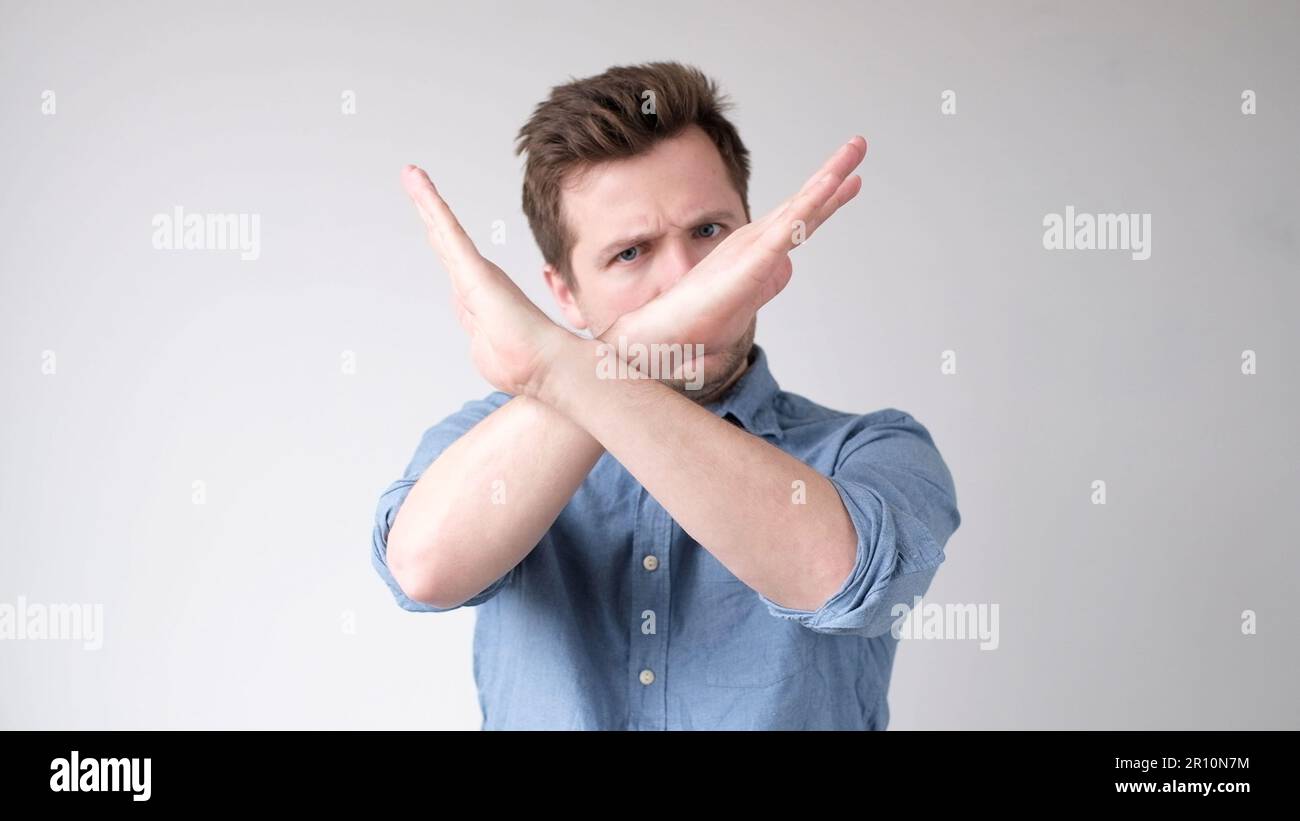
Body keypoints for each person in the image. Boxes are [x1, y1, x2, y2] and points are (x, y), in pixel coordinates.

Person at [370, 61, 961, 729]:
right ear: (563, 291)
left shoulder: (872, 447)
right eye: (631, 253)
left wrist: (564, 365)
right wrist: (614, 358)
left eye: (709, 232)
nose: (685, 280)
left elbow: (839, 577)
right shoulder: (491, 442)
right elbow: (422, 568)